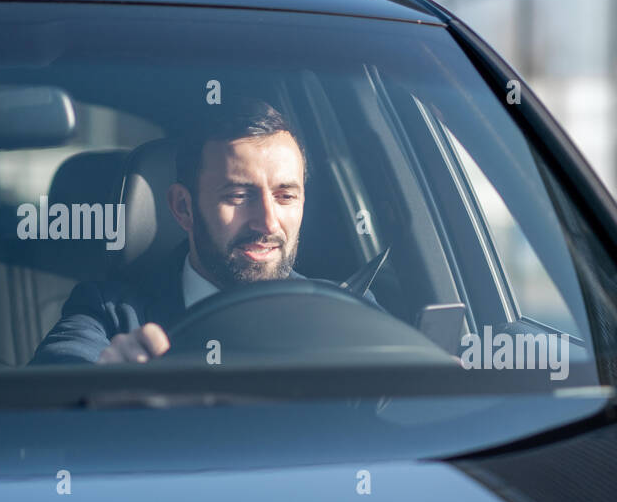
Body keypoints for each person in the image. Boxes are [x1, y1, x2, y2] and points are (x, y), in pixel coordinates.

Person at [31, 99, 374, 365]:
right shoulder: (111, 316)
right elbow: (46, 398)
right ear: (183, 207)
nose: (268, 223)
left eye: (286, 196)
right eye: (239, 196)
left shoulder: (348, 312)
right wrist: (98, 394)